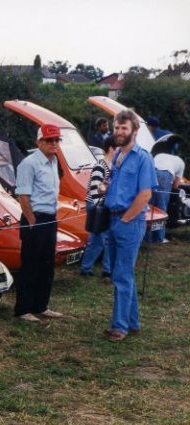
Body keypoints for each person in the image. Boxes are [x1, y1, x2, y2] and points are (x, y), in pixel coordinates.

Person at [103, 110, 157, 342]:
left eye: (124, 128)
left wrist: (126, 219)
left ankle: (120, 327)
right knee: (122, 274)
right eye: (116, 128)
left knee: (122, 276)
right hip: (112, 219)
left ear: (134, 131)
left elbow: (145, 194)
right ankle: (132, 322)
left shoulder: (143, 158)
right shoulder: (117, 156)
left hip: (129, 222)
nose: (119, 132)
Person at [13, 124, 64, 322]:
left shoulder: (53, 161)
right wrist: (32, 220)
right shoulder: (29, 164)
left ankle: (41, 306)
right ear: (39, 142)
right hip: (35, 218)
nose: (54, 144)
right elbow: (23, 195)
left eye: (57, 140)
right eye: (49, 140)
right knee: (30, 265)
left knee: (47, 265)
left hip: (50, 218)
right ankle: (23, 309)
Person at [80, 136, 116, 278]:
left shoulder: (114, 167)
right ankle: (85, 268)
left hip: (105, 206)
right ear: (111, 149)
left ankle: (107, 269)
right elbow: (95, 190)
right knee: (97, 239)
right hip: (98, 206)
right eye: (118, 148)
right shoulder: (100, 166)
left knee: (107, 238)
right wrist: (101, 207)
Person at [147, 152, 183, 243]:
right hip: (165, 175)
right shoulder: (181, 163)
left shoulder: (160, 154)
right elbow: (175, 186)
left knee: (149, 207)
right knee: (160, 209)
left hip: (151, 172)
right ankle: (158, 238)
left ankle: (147, 238)